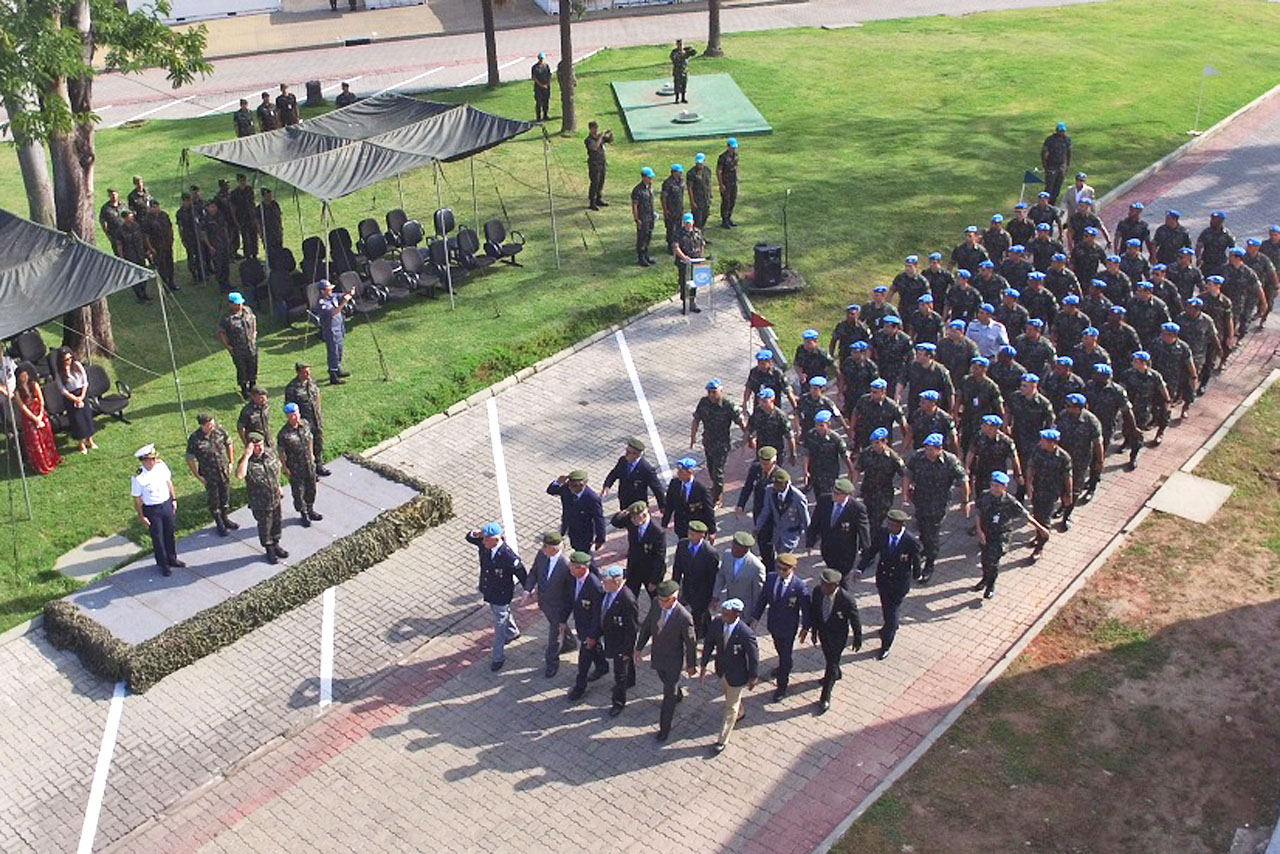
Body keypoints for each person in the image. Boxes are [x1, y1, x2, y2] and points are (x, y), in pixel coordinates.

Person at [634, 578, 698, 742]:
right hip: (658, 657)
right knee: (665, 680)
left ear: (674, 599)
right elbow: (648, 625)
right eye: (660, 599)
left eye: (664, 600)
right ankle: (678, 693)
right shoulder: (656, 603)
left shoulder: (684, 617)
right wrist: (639, 648)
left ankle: (665, 728)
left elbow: (690, 644)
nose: (661, 603)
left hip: (673, 661)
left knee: (667, 695)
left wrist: (691, 665)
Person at [902, 433, 969, 583]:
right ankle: (926, 549)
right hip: (920, 501)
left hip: (939, 504)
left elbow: (964, 480)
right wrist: (905, 493)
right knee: (922, 529)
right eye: (927, 448)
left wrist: (965, 502)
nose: (928, 452)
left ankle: (929, 564)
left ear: (939, 449)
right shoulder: (918, 457)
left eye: (931, 449)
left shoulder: (950, 461)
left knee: (932, 533)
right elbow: (907, 473)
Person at [855, 508, 920, 660]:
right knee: (886, 607)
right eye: (889, 524)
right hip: (883, 580)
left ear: (900, 525)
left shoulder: (910, 541)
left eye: (893, 525)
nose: (889, 527)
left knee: (892, 614)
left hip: (899, 584)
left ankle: (886, 645)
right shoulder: (883, 534)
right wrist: (860, 569)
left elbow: (915, 561)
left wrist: (917, 576)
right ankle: (888, 626)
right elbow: (872, 552)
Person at [973, 471, 1050, 598]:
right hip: (986, 533)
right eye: (992, 485)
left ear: (1004, 487)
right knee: (985, 560)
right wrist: (979, 531)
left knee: (993, 561)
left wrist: (1041, 528)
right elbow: (977, 512)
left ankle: (990, 585)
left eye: (997, 486)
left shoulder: (1010, 502)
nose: (993, 488)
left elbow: (1026, 516)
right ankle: (985, 579)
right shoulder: (985, 495)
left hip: (1000, 536)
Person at [465, 522, 528, 672]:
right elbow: (469, 537)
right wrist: (477, 533)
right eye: (483, 539)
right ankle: (512, 632)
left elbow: (521, 573)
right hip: (489, 589)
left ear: (495, 539)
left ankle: (498, 656)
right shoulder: (484, 544)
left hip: (501, 593)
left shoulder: (507, 555)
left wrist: (528, 591)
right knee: (501, 613)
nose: (483, 542)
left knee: (499, 624)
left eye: (486, 539)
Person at [699, 598, 758, 755]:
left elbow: (753, 656)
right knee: (731, 697)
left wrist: (753, 676)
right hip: (722, 671)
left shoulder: (745, 633)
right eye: (722, 613)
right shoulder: (717, 624)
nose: (723, 616)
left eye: (726, 614)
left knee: (730, 707)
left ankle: (722, 739)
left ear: (736, 614)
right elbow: (709, 643)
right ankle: (741, 711)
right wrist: (704, 664)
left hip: (737, 675)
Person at [751, 552, 810, 701]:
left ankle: (782, 686)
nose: (781, 572)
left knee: (785, 655)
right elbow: (763, 598)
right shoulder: (771, 579)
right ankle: (785, 665)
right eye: (779, 568)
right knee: (779, 649)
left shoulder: (799, 587)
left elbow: (806, 609)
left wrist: (805, 628)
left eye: (785, 569)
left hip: (788, 628)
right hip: (773, 624)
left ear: (793, 569)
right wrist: (756, 618)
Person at [522, 532, 577, 678]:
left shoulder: (565, 565)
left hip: (559, 608)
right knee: (557, 626)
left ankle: (552, 662)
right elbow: (534, 572)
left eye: (545, 546)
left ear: (553, 548)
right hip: (545, 603)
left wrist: (563, 617)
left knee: (554, 636)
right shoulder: (542, 556)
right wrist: (528, 589)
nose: (542, 549)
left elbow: (570, 594)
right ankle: (570, 643)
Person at [807, 566, 862, 711]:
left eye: (826, 584)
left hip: (838, 637)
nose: (823, 586)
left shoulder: (846, 600)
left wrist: (857, 638)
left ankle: (825, 696)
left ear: (835, 585)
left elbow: (855, 620)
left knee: (831, 664)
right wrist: (813, 631)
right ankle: (836, 673)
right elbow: (815, 613)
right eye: (822, 583)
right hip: (824, 633)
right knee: (830, 660)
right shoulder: (817, 592)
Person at [690, 377, 745, 505]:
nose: (711, 395)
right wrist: (693, 437)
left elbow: (740, 421)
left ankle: (717, 497)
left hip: (722, 444)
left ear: (721, 391)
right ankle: (715, 488)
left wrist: (748, 438)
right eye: (709, 392)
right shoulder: (703, 402)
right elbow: (696, 419)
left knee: (718, 471)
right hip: (708, 441)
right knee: (710, 468)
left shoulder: (728, 405)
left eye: (714, 392)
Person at [807, 477, 870, 586]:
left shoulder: (857, 509)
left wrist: (864, 559)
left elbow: (864, 533)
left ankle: (841, 600)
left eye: (837, 493)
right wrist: (810, 542)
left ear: (846, 495)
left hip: (845, 554)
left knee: (841, 581)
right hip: (827, 549)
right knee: (830, 577)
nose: (833, 494)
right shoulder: (824, 501)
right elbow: (815, 523)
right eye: (833, 491)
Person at [131, 444, 183, 574]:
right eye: (150, 459)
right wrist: (142, 516)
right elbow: (137, 499)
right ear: (143, 461)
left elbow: (168, 482)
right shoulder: (138, 478)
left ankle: (172, 558)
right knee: (158, 538)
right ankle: (163, 564)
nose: (154, 461)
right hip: (152, 509)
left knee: (169, 533)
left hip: (166, 503)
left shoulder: (161, 467)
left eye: (154, 458)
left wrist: (174, 499)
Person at [237, 432, 289, 564]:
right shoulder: (247, 462)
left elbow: (276, 469)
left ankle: (276, 544)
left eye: (261, 445)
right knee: (265, 526)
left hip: (274, 496)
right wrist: (247, 455)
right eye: (256, 446)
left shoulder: (269, 454)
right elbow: (239, 475)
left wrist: (278, 486)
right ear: (250, 447)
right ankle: (269, 549)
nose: (259, 448)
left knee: (277, 522)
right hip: (260, 501)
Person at [186, 413, 239, 537]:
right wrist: (198, 476)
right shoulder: (195, 439)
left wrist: (230, 461)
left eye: (213, 422)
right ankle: (219, 522)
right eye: (210, 424)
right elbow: (189, 458)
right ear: (203, 425)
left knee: (225, 496)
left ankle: (225, 518)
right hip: (209, 475)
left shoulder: (219, 431)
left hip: (223, 471)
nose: (213, 425)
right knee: (214, 500)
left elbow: (228, 443)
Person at [567, 550, 610, 699]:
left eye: (573, 566)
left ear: (582, 568)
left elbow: (598, 615)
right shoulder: (574, 579)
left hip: (591, 630)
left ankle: (580, 687)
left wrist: (593, 636)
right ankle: (602, 666)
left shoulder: (594, 586)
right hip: (581, 625)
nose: (570, 568)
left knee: (583, 659)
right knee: (594, 650)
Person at [598, 566, 640, 716]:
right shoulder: (609, 593)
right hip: (611, 637)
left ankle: (618, 702)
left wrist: (627, 651)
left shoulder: (627, 600)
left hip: (621, 643)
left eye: (606, 582)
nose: (603, 584)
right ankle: (631, 680)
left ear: (616, 582)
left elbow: (632, 628)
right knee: (626, 668)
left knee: (619, 673)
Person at [754, 468, 810, 574]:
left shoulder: (798, 497)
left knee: (782, 559)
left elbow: (805, 519)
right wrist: (757, 528)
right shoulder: (770, 491)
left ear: (786, 484)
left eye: (778, 484)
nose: (775, 487)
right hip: (777, 532)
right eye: (774, 483)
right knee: (779, 555)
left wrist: (809, 540)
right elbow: (765, 511)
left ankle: (782, 576)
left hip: (790, 534)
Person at [671, 519, 718, 640]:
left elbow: (713, 577)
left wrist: (712, 596)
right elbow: (677, 567)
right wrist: (675, 586)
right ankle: (707, 629)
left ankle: (696, 637)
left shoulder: (710, 553)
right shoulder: (682, 545)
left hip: (702, 591)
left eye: (693, 534)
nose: (690, 536)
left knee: (698, 616)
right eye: (689, 533)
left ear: (702, 535)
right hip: (687, 587)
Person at [610, 501, 667, 600]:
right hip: (634, 567)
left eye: (634, 518)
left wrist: (654, 581)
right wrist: (625, 512)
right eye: (631, 517)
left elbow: (660, 558)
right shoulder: (632, 520)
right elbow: (615, 522)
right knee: (629, 597)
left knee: (655, 599)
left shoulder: (658, 532)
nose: (632, 520)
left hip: (650, 571)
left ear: (644, 515)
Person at [277, 403, 322, 527]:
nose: (294, 418)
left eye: (295, 414)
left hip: (309, 464)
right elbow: (281, 452)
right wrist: (285, 467)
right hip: (295, 468)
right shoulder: (284, 434)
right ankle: (303, 514)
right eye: (291, 416)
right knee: (298, 492)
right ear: (287, 417)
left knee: (311, 488)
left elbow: (310, 438)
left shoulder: (305, 424)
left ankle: (310, 509)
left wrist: (312, 454)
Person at [854, 427, 904, 534]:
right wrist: (853, 486)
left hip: (883, 495)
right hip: (868, 492)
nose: (874, 445)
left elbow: (904, 474)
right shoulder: (867, 453)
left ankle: (873, 544)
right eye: (872, 443)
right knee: (866, 519)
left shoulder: (893, 458)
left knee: (877, 522)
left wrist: (905, 493)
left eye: (877, 443)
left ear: (885, 442)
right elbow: (857, 469)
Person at [284, 362, 329, 476]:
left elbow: (317, 395)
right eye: (305, 372)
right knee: (306, 446)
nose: (308, 374)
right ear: (298, 372)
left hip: (315, 419)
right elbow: (290, 408)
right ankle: (310, 471)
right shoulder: (292, 388)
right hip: (304, 421)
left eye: (309, 371)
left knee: (318, 442)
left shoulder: (311, 382)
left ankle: (319, 465)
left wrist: (318, 411)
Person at [14, 367, 60, 475]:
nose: (24, 378)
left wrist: (40, 415)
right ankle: (42, 464)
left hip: (39, 411)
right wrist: (34, 419)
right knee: (35, 441)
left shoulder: (34, 384)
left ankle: (52, 459)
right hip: (28, 417)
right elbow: (23, 407)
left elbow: (41, 400)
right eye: (22, 376)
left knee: (46, 437)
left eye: (26, 375)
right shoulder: (17, 392)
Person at [547, 469, 607, 553]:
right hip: (570, 526)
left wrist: (600, 539)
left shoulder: (592, 498)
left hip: (584, 532)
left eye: (575, 485)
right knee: (575, 546)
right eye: (570, 484)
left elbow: (599, 519)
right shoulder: (566, 489)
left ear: (583, 484)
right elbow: (551, 490)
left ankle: (588, 565)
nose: (571, 487)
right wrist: (558, 481)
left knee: (583, 553)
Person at [601, 436, 664, 512]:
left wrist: (662, 506)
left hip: (638, 504)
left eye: (628, 452)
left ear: (636, 454)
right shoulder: (623, 460)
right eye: (626, 451)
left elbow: (657, 488)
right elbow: (614, 473)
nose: (626, 454)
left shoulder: (646, 469)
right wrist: (607, 485)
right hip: (624, 500)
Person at [713, 531, 766, 618]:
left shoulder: (756, 567)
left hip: (745, 610)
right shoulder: (727, 555)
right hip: (729, 605)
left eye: (737, 549)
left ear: (745, 550)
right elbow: (721, 576)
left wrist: (755, 615)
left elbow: (758, 593)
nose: (733, 551)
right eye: (733, 547)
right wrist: (715, 595)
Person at [53, 348, 96, 454]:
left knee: (87, 418)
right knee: (78, 421)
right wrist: (75, 399)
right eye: (66, 359)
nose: (69, 361)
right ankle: (81, 443)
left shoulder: (77, 365)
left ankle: (90, 440)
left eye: (70, 358)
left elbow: (85, 382)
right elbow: (63, 390)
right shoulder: (60, 373)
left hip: (82, 394)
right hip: (70, 398)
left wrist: (81, 396)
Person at [662, 457, 716, 539]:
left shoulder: (701, 489)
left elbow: (708, 510)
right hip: (681, 528)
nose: (678, 473)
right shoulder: (674, 484)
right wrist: (664, 524)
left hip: (696, 529)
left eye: (681, 471)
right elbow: (669, 505)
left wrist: (712, 531)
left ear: (690, 472)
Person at [217, 292, 258, 400]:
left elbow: (253, 319)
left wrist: (254, 333)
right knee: (242, 369)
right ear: (231, 304)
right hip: (238, 349)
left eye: (240, 303)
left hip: (251, 346)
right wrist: (228, 346)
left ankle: (253, 386)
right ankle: (244, 390)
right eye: (237, 304)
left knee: (253, 366)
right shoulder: (227, 318)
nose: (240, 306)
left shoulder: (247, 310)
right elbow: (221, 333)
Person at [316, 280, 352, 385]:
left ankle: (338, 369)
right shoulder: (322, 302)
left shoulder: (332, 296)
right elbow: (333, 312)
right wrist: (344, 303)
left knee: (339, 349)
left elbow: (341, 296)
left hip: (339, 326)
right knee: (333, 351)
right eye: (329, 289)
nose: (331, 290)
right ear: (323, 291)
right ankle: (333, 374)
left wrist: (349, 293)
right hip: (331, 329)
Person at [673, 212, 706, 315]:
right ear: (683, 223)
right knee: (684, 283)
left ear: (693, 222)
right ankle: (685, 304)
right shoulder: (678, 233)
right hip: (684, 264)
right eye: (686, 223)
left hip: (696, 262)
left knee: (694, 283)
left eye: (690, 222)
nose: (688, 224)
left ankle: (692, 303)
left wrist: (702, 257)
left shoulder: (697, 232)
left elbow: (702, 245)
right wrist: (684, 257)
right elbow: (675, 247)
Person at [142, 200, 178, 293]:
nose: (156, 208)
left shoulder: (164, 215)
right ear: (149, 208)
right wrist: (150, 248)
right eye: (153, 207)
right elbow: (146, 236)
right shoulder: (147, 220)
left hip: (167, 244)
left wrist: (171, 239)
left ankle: (171, 282)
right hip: (156, 246)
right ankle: (165, 285)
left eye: (157, 206)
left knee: (170, 264)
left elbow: (170, 228)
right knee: (161, 266)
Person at [117, 211, 151, 302]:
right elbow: (119, 245)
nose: (132, 218)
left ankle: (144, 292)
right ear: (125, 218)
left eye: (132, 217)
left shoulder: (136, 226)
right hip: (130, 255)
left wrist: (147, 249)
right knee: (134, 275)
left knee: (143, 273)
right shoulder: (120, 230)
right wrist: (122, 257)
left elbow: (142, 238)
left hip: (140, 254)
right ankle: (139, 295)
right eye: (130, 217)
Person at [1040, 122, 1072, 205]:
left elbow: (1068, 152)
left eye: (1063, 131)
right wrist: (1045, 167)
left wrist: (1067, 164)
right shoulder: (1050, 140)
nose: (1061, 133)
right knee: (1049, 188)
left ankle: (1052, 204)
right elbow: (1043, 152)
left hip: (1061, 166)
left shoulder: (1067, 140)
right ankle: (1045, 204)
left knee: (1057, 188)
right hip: (1051, 166)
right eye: (1060, 131)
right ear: (1056, 130)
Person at [228, 174, 258, 261]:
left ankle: (255, 255)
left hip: (251, 217)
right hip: (242, 218)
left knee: (254, 238)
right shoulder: (234, 193)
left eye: (244, 180)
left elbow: (253, 203)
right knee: (246, 239)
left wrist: (255, 216)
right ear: (238, 181)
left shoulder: (249, 190)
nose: (243, 182)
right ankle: (248, 256)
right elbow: (233, 208)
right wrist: (236, 221)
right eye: (241, 181)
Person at [584, 121, 612, 210]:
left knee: (601, 181)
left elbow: (610, 140)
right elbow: (595, 147)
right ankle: (592, 201)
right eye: (594, 128)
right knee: (595, 183)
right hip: (594, 164)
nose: (595, 130)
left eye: (596, 128)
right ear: (590, 129)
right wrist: (600, 137)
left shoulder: (599, 137)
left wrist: (609, 134)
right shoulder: (588, 140)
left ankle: (599, 199)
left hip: (602, 163)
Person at [631, 166, 656, 267]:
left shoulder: (649, 188)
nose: (651, 179)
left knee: (648, 236)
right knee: (642, 237)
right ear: (643, 177)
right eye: (649, 177)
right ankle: (641, 257)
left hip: (650, 216)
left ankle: (646, 255)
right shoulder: (638, 190)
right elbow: (635, 205)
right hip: (642, 217)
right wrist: (637, 219)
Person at [661, 164, 687, 254]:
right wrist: (665, 210)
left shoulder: (681, 181)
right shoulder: (668, 183)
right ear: (674, 172)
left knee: (679, 228)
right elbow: (663, 197)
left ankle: (678, 245)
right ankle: (670, 246)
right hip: (671, 210)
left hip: (679, 209)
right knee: (671, 229)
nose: (681, 173)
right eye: (679, 172)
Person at [687, 152, 713, 230]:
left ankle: (701, 236)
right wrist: (692, 201)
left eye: (701, 163)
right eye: (698, 163)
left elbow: (708, 183)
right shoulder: (691, 173)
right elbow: (689, 188)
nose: (700, 165)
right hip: (697, 199)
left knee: (705, 216)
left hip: (706, 199)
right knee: (697, 219)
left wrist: (710, 194)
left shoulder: (707, 171)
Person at [717, 138, 739, 228]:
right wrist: (721, 184)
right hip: (726, 182)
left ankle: (729, 217)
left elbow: (736, 167)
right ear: (728, 147)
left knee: (732, 200)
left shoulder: (735, 155)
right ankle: (724, 219)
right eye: (732, 147)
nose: (734, 149)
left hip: (733, 181)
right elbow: (719, 171)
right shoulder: (723, 157)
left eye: (735, 147)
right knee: (726, 201)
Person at [669, 39, 697, 103]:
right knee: (677, 85)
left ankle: (683, 98)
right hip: (677, 71)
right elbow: (674, 59)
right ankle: (677, 99)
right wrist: (683, 54)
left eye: (681, 44)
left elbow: (694, 53)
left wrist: (690, 51)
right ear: (677, 45)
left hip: (684, 71)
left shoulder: (685, 51)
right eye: (679, 44)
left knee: (684, 85)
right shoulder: (674, 52)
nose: (680, 46)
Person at [258, 188, 285, 255]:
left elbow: (279, 215)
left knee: (279, 249)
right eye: (267, 195)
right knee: (270, 251)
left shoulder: (275, 204)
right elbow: (257, 222)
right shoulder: (260, 208)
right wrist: (261, 233)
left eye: (270, 195)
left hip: (276, 230)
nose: (270, 197)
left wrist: (280, 227)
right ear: (263, 196)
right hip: (268, 232)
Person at [99, 188, 125, 255]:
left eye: (115, 194)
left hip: (126, 233)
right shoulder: (105, 208)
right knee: (119, 254)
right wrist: (108, 235)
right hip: (115, 235)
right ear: (109, 196)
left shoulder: (123, 205)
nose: (114, 196)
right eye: (112, 195)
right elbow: (103, 222)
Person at [531, 52, 552, 121]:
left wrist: (547, 84)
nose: (541, 60)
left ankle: (545, 115)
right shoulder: (534, 67)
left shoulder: (546, 66)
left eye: (542, 59)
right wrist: (541, 85)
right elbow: (534, 78)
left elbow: (549, 75)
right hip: (538, 87)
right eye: (540, 58)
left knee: (546, 101)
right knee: (539, 102)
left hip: (546, 87)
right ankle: (538, 117)